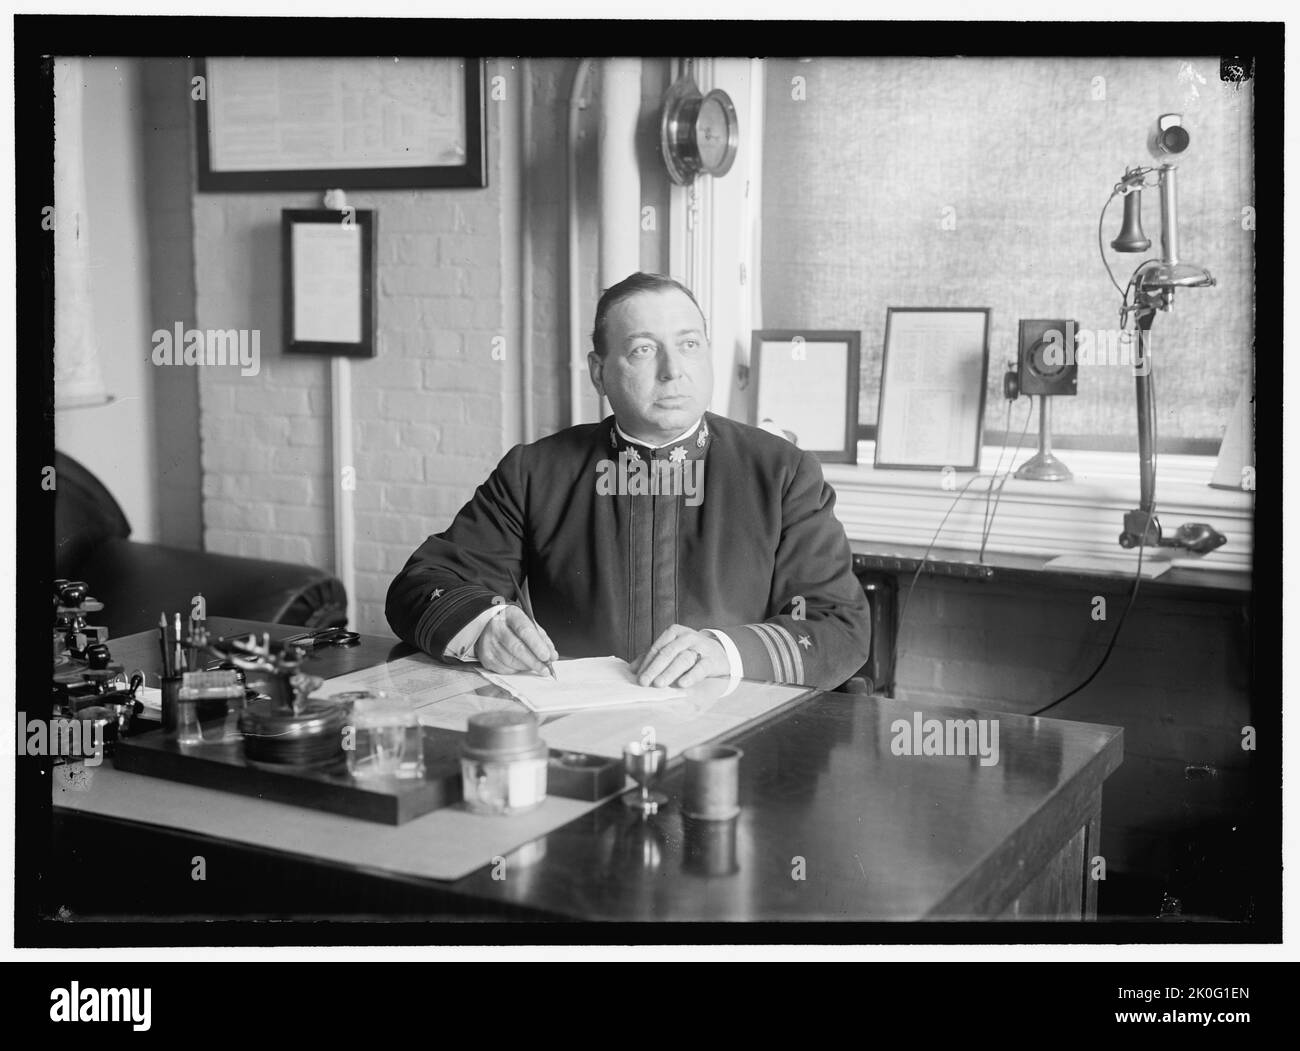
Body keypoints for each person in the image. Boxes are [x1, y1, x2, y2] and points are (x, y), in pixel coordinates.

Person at [386, 272, 871, 691]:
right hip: (581, 740)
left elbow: (838, 626)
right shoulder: (536, 472)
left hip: (735, 747)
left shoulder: (782, 473)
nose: (673, 370)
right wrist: (485, 626)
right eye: (643, 350)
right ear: (600, 373)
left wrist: (724, 651)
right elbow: (421, 586)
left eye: (689, 345)